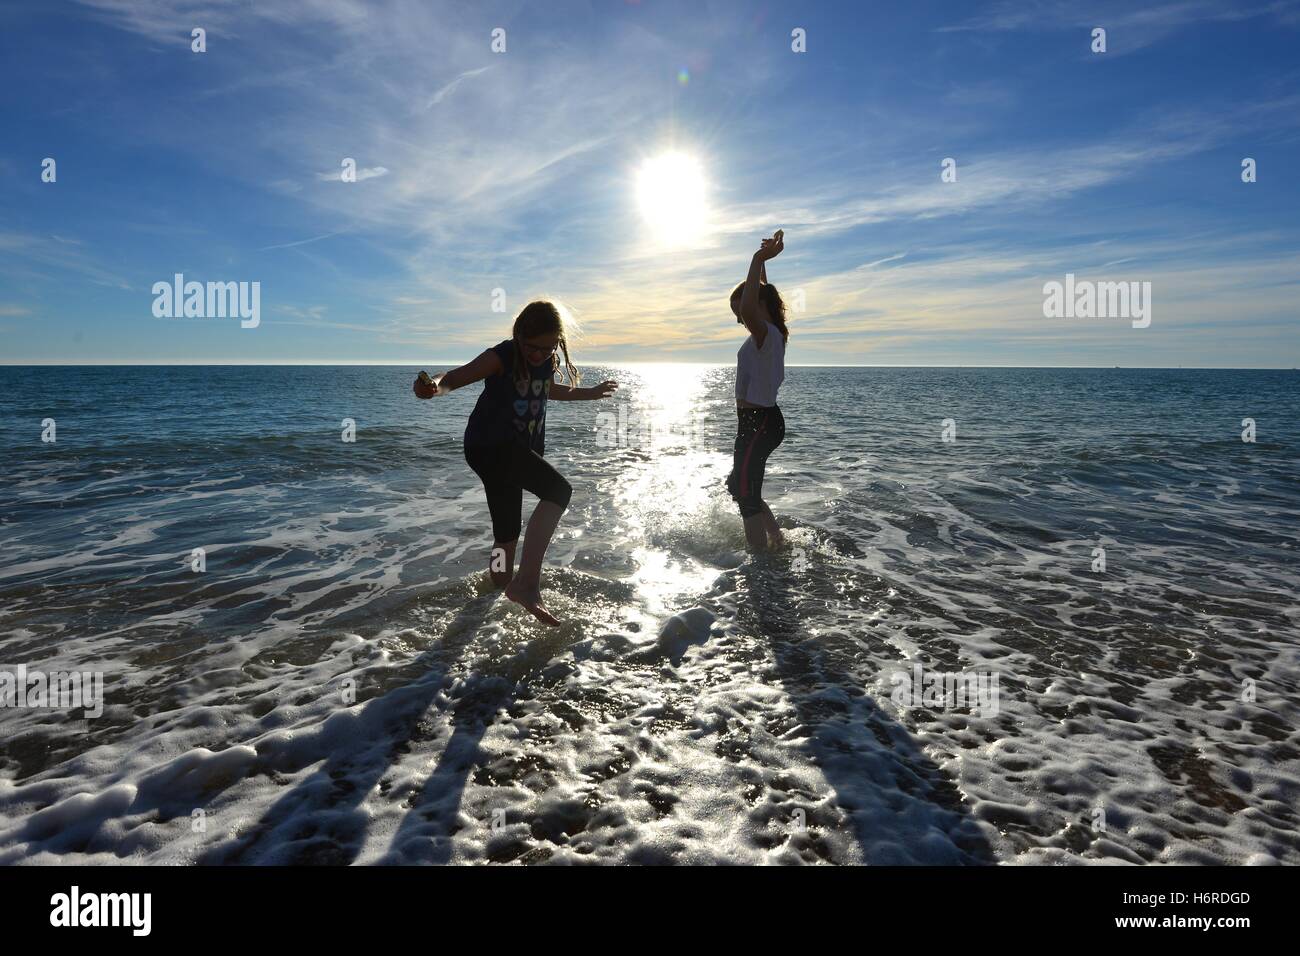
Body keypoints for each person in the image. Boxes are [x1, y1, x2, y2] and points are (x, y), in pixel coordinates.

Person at [414, 301, 617, 625]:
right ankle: (526, 585)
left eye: (548, 348)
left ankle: (493, 597)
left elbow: (547, 390)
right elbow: (454, 377)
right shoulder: (501, 356)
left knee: (506, 534)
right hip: (490, 445)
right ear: (518, 335)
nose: (538, 355)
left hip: (510, 450)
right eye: (532, 347)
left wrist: (588, 393)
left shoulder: (545, 360)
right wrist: (433, 387)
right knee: (559, 491)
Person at [727, 230, 789, 551]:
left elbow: (755, 303)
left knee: (746, 491)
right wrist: (763, 266)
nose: (742, 321)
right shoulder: (769, 333)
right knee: (740, 486)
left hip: (761, 420)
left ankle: (760, 564)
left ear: (758, 307)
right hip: (752, 422)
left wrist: (757, 258)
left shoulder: (767, 334)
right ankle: (776, 540)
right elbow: (759, 297)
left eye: (742, 314)